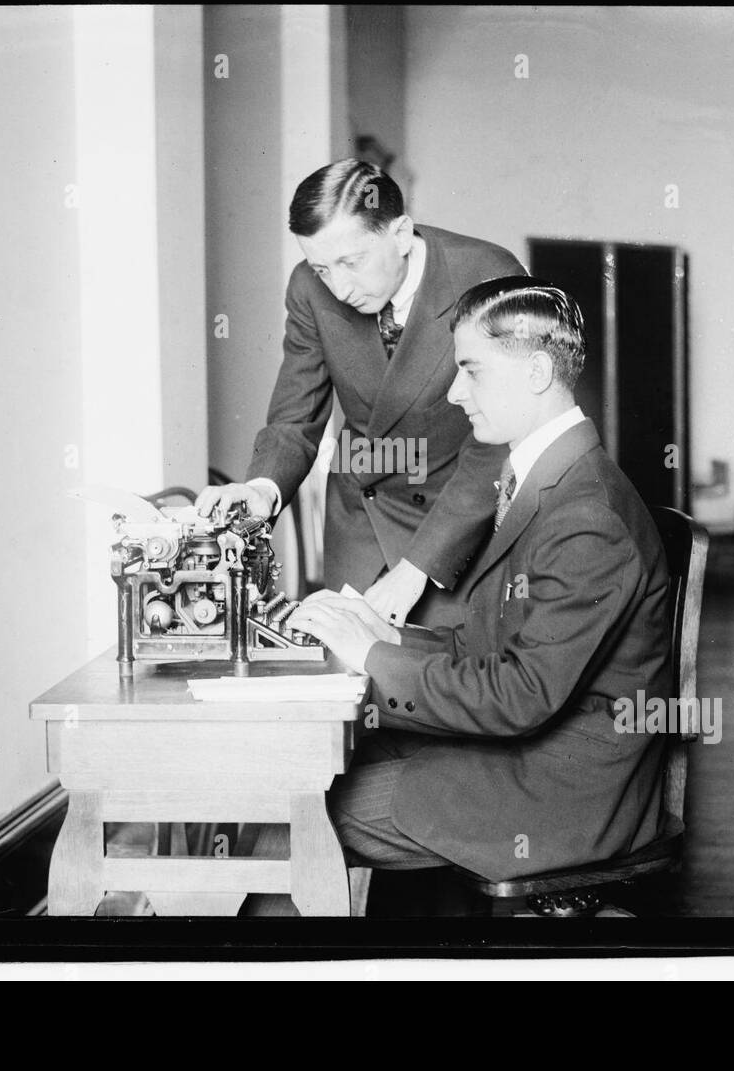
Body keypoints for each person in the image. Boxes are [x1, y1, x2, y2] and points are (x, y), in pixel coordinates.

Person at [290, 278, 674, 882]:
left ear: (537, 372)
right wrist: (382, 638)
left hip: (567, 792)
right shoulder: (549, 476)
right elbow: (492, 647)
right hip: (532, 756)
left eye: (471, 370)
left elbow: (520, 695)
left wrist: (368, 654)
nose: (453, 392)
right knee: (308, 771)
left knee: (302, 811)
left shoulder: (588, 516)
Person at [196, 159, 525, 627]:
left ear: (401, 233)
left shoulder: (487, 273)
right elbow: (296, 415)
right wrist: (261, 489)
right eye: (322, 268)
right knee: (351, 678)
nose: (340, 287)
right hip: (361, 517)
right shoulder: (310, 289)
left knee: (444, 681)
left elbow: (497, 444)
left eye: (352, 263)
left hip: (456, 524)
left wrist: (417, 569)